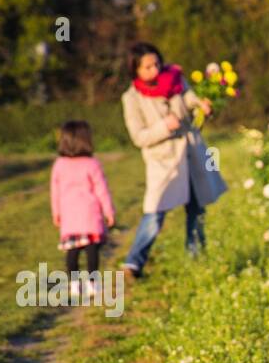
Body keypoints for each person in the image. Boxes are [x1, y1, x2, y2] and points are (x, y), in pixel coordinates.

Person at [119, 41, 227, 280]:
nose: (154, 70)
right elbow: (139, 136)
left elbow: (189, 99)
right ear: (135, 69)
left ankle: (196, 259)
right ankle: (133, 263)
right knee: (155, 211)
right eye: (147, 67)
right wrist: (163, 127)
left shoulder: (176, 79)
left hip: (191, 153)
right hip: (163, 161)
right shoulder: (131, 98)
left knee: (197, 208)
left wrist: (202, 105)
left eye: (157, 64)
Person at [50, 120, 114, 303]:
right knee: (92, 251)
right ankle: (92, 283)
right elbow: (102, 190)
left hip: (69, 217)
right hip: (90, 215)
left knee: (72, 252)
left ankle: (74, 284)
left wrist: (56, 213)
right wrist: (109, 212)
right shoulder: (92, 164)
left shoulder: (59, 165)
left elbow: (55, 192)